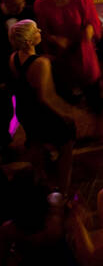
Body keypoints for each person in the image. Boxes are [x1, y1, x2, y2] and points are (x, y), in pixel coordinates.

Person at [7, 19, 77, 189]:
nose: (40, 30)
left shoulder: (13, 58)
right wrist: (68, 113)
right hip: (42, 114)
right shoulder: (41, 63)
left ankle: (40, 183)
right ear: (30, 41)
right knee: (67, 147)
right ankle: (63, 190)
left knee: (36, 144)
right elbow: (47, 97)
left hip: (25, 111)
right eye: (35, 30)